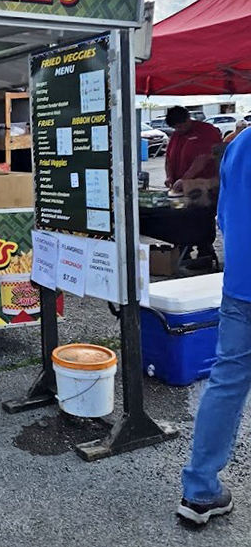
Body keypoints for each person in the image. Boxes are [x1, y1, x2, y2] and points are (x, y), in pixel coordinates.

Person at [178, 126, 251, 524]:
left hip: (242, 285)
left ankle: (199, 490)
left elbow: (223, 216)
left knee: (226, 382)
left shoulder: (240, 143)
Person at [165, 106, 222, 193]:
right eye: (175, 128)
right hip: (181, 188)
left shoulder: (207, 131)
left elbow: (203, 158)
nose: (178, 130)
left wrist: (185, 179)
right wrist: (169, 177)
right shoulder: (176, 134)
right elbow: (168, 158)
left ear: (188, 119)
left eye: (180, 126)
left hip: (204, 189)